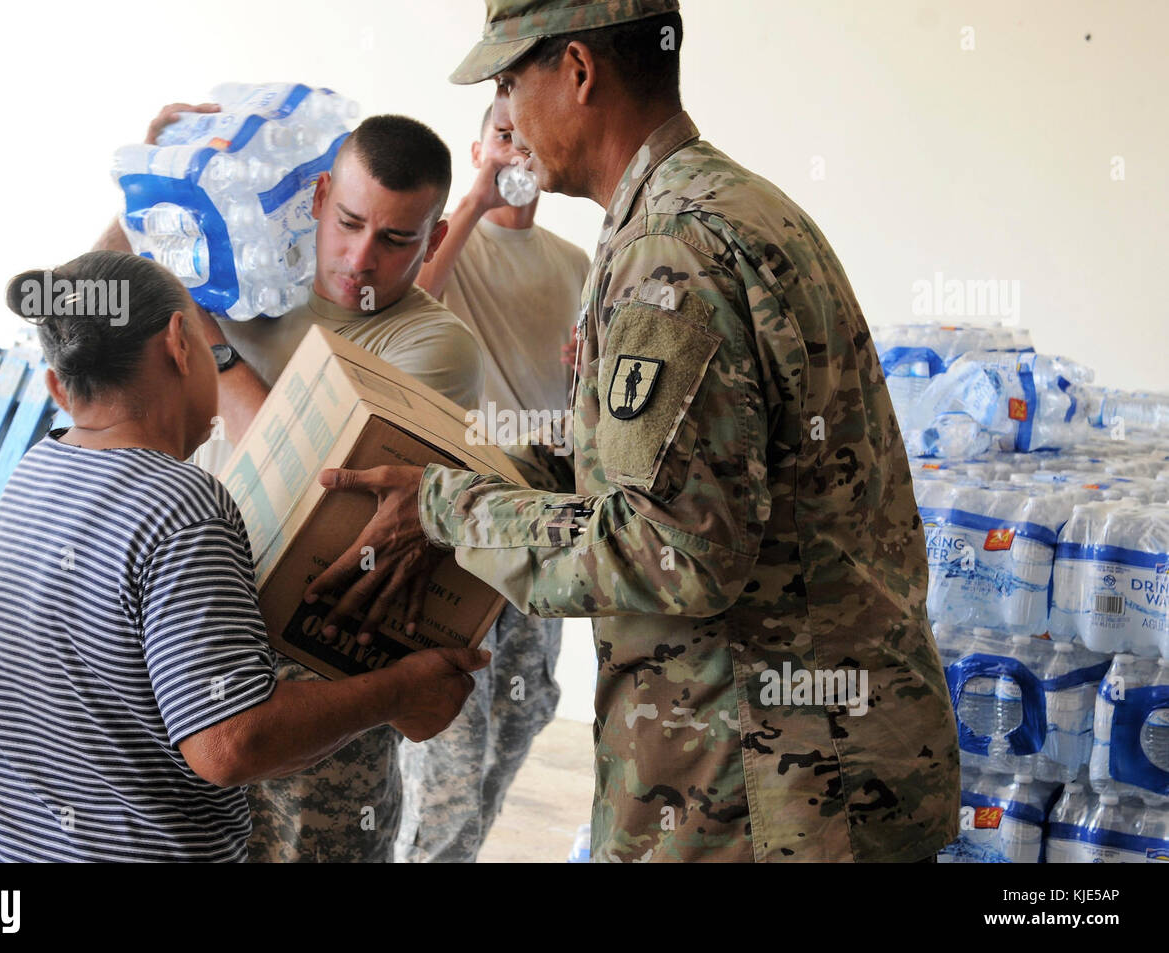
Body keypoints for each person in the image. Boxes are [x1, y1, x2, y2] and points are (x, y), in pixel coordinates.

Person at [304, 0, 960, 862]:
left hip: (768, 794)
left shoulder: (672, 249)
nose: (505, 114)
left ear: (578, 71)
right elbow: (634, 464)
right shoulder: (734, 206)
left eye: (510, 80)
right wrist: (474, 480)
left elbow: (673, 550)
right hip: (813, 766)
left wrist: (449, 511)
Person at [0, 250, 487, 863]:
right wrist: (396, 692)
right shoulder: (183, 503)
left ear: (60, 384)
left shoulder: (37, 469)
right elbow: (228, 744)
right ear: (182, 343)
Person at [96, 112, 486, 863]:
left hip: (311, 685)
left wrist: (204, 332)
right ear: (315, 198)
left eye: (397, 239)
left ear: (435, 241)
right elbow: (91, 293)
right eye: (348, 222)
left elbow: (301, 465)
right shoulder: (245, 282)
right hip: (187, 648)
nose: (361, 257)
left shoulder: (433, 345)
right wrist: (156, 187)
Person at [395, 105, 590, 862]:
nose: (517, 149)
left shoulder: (574, 262)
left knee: (526, 713)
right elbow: (404, 315)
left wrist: (584, 380)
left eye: (528, 134)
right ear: (479, 148)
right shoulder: (445, 245)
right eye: (502, 135)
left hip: (536, 528)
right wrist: (473, 200)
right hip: (450, 529)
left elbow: (576, 406)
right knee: (449, 743)